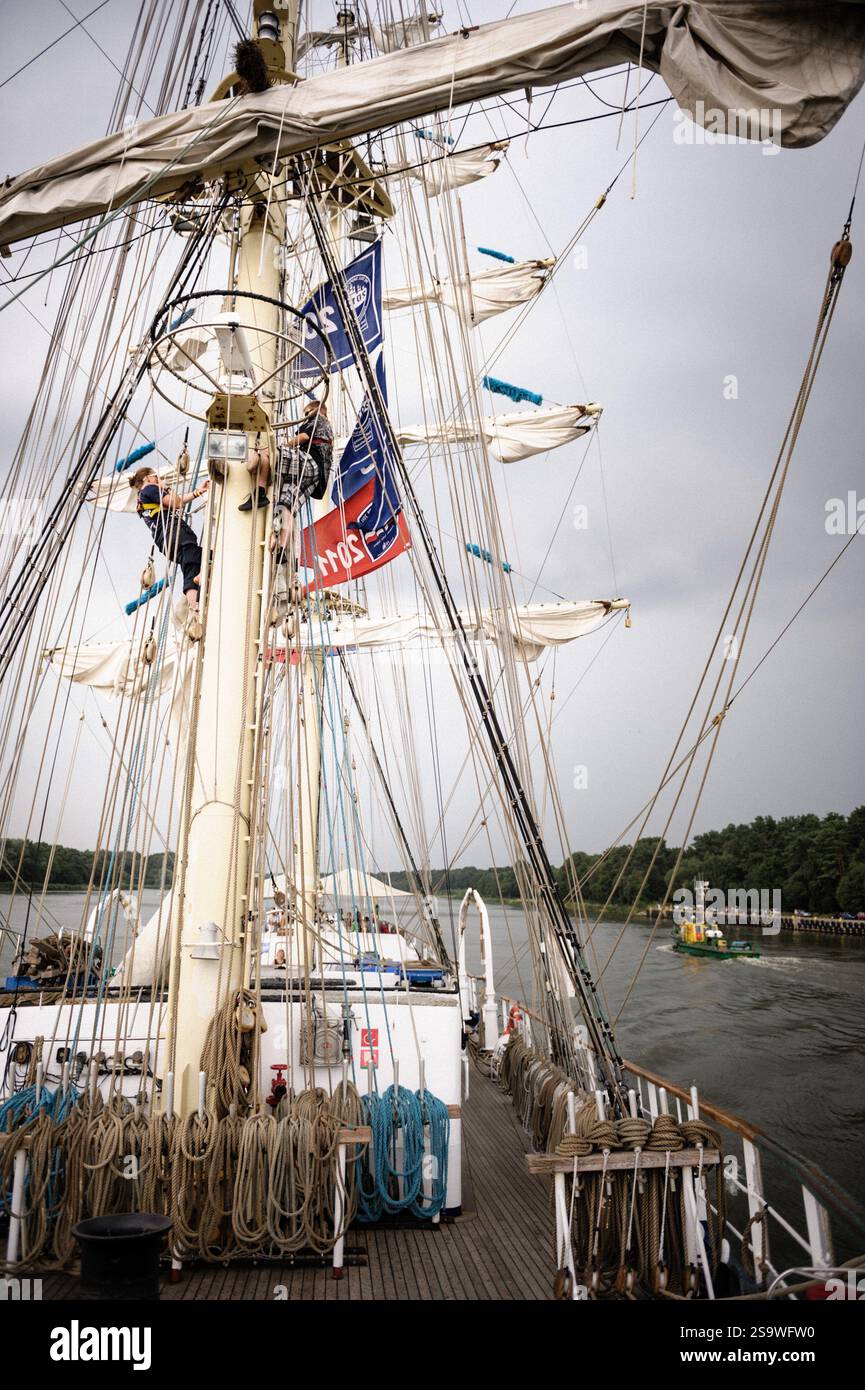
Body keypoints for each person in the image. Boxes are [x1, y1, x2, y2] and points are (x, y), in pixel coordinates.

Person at [129, 467, 209, 612]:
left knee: (197, 560)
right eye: (156, 476)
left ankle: (196, 595)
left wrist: (197, 492)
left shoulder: (142, 499)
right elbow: (176, 503)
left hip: (166, 543)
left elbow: (176, 500)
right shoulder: (150, 489)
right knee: (194, 562)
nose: (159, 479)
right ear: (147, 478)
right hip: (174, 532)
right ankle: (196, 596)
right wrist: (165, 487)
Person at [272, 399, 334, 563]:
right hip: (315, 478)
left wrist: (284, 446)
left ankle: (260, 491)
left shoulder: (318, 420)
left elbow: (303, 437)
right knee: (288, 506)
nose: (305, 417)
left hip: (309, 464)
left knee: (271, 454)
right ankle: (282, 548)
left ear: (317, 410)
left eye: (307, 413)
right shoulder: (329, 431)